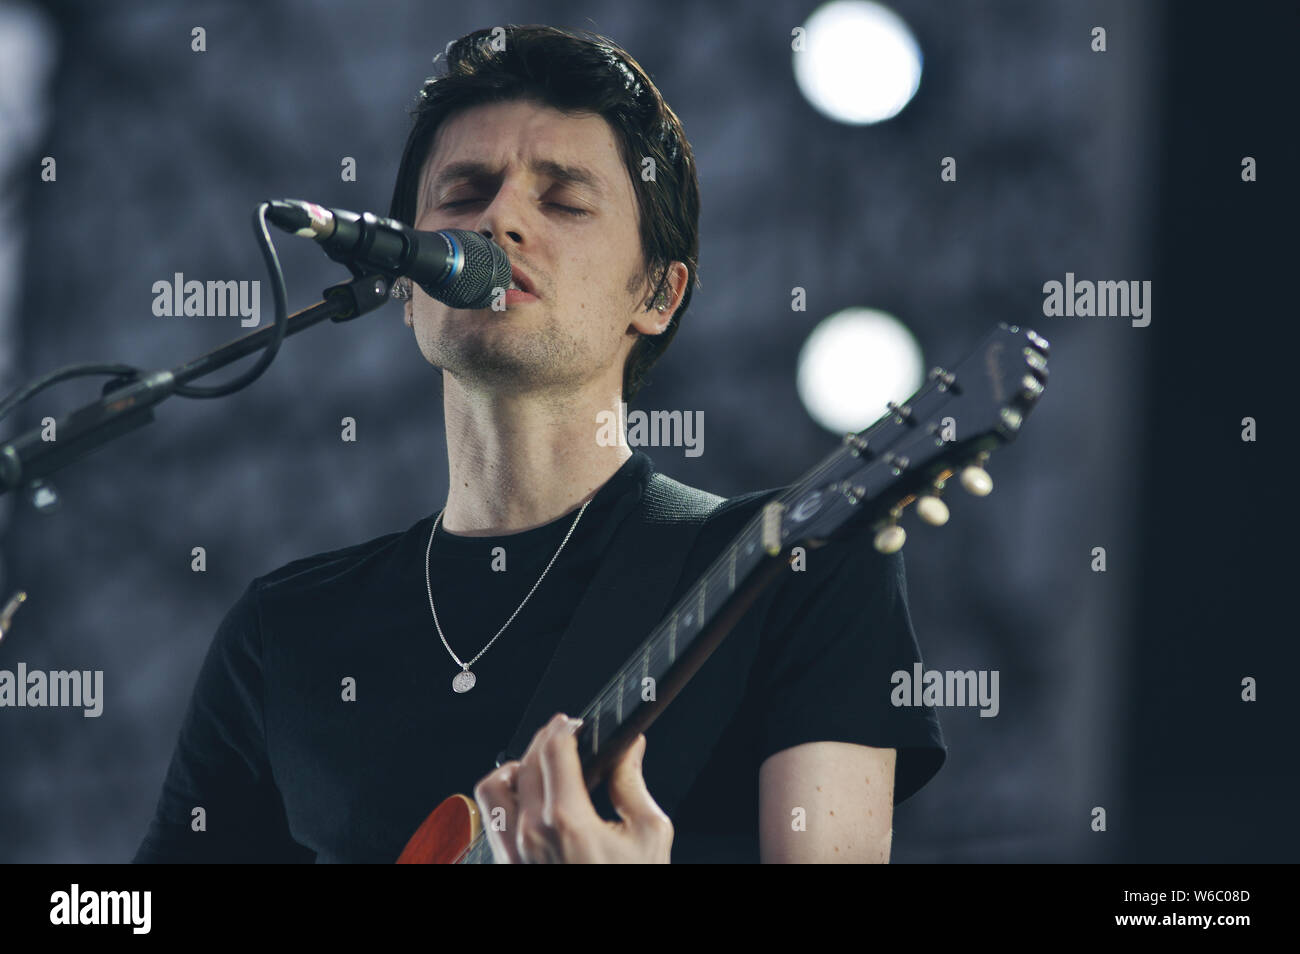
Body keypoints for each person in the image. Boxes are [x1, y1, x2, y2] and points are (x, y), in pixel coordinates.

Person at [133, 24, 945, 864]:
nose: (498, 218)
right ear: (408, 289)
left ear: (658, 295)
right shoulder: (285, 629)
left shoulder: (799, 568)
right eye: (464, 192)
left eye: (563, 199)